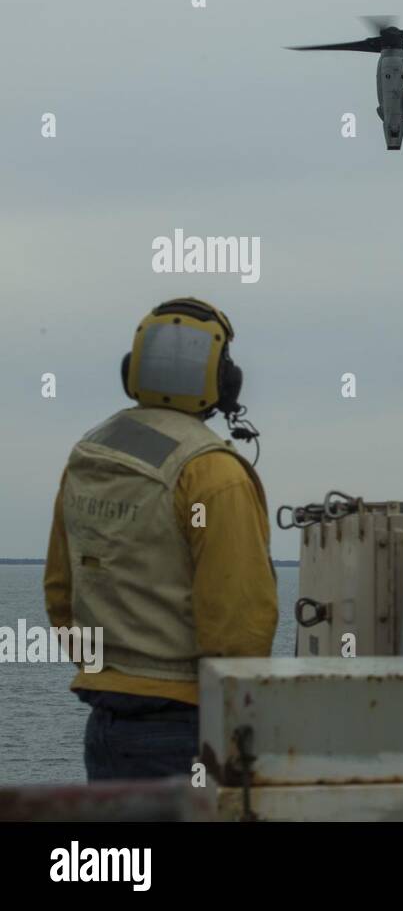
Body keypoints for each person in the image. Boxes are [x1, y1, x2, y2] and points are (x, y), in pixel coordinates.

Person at [42, 297, 278, 781]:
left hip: (106, 723)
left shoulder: (89, 456)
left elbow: (60, 592)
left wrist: (111, 669)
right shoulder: (211, 472)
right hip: (184, 727)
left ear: (132, 370)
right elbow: (237, 624)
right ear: (224, 382)